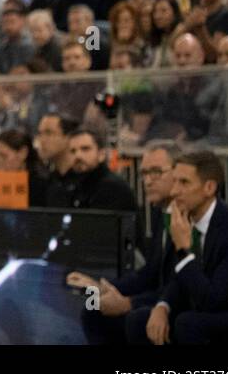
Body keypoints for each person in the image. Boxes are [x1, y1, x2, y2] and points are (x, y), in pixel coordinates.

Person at [129, 150, 228, 344]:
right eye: (175, 182)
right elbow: (178, 281)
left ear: (209, 187)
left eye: (184, 183)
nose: (174, 191)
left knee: (187, 323)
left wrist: (183, 250)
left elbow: (213, 300)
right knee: (141, 320)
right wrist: (163, 307)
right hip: (214, 306)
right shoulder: (185, 219)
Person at [69, 140, 180, 343]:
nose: (148, 181)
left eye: (156, 172)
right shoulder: (160, 213)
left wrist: (128, 303)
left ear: (179, 172)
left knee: (137, 318)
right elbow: (149, 273)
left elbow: (179, 284)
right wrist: (102, 286)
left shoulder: (190, 216)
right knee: (93, 308)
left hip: (178, 304)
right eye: (144, 173)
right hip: (155, 298)